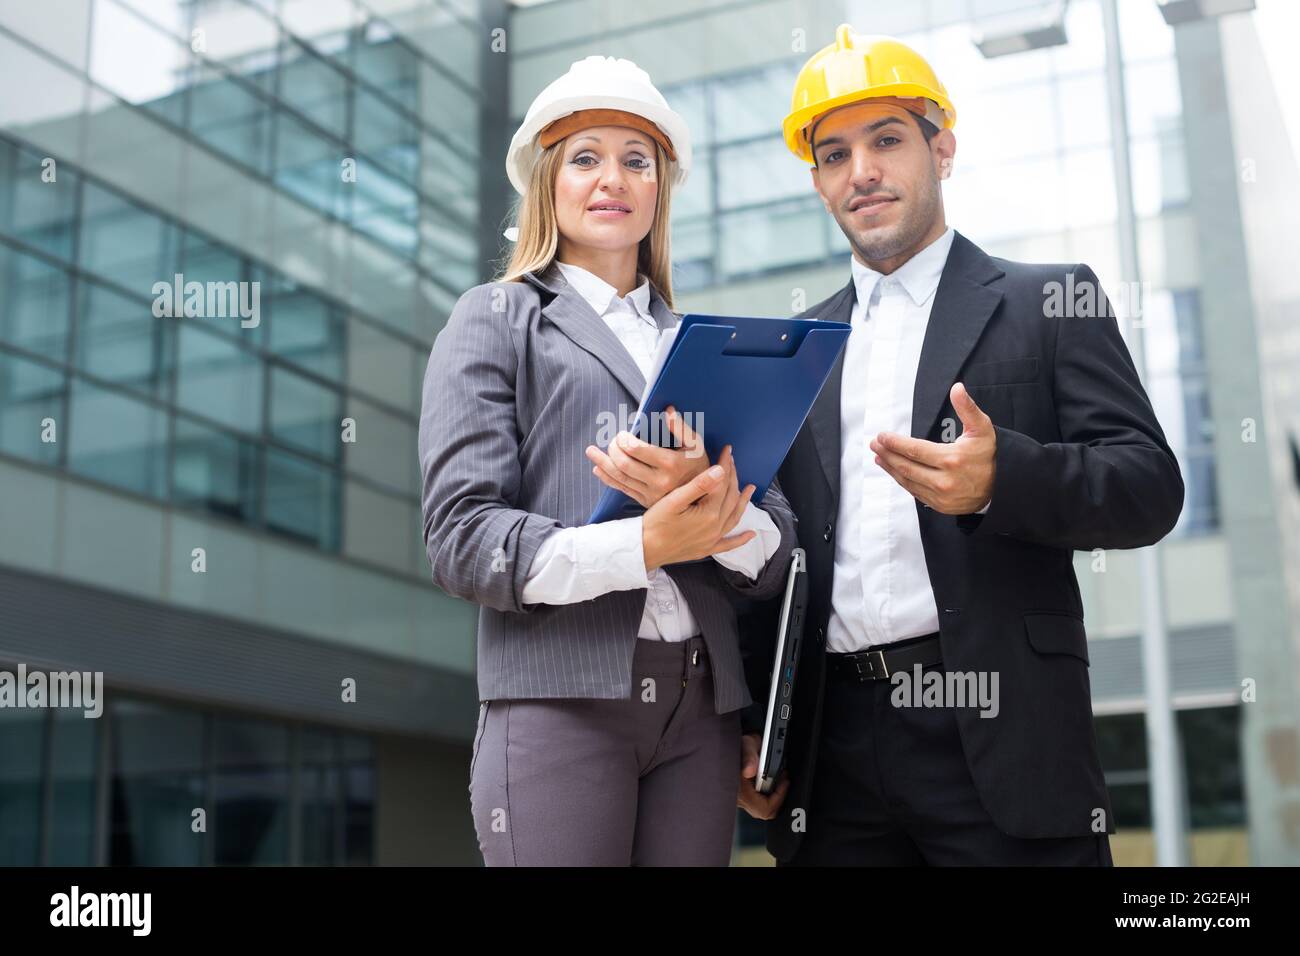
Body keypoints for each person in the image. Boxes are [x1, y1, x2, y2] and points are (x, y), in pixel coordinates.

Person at [726, 27, 1185, 865]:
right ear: (820, 181)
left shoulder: (1049, 300)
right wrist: (758, 722)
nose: (860, 172)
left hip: (1003, 735)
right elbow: (776, 556)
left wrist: (1003, 478)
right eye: (833, 155)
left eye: (887, 140)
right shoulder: (794, 351)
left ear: (943, 149)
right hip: (834, 756)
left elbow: (1149, 486)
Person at [418, 55, 797, 866]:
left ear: (661, 188)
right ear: (547, 182)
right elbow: (462, 539)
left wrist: (722, 511)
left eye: (637, 160)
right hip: (559, 700)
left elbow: (778, 554)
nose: (611, 178)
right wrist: (645, 544)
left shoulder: (705, 346)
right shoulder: (495, 318)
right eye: (585, 156)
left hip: (701, 710)